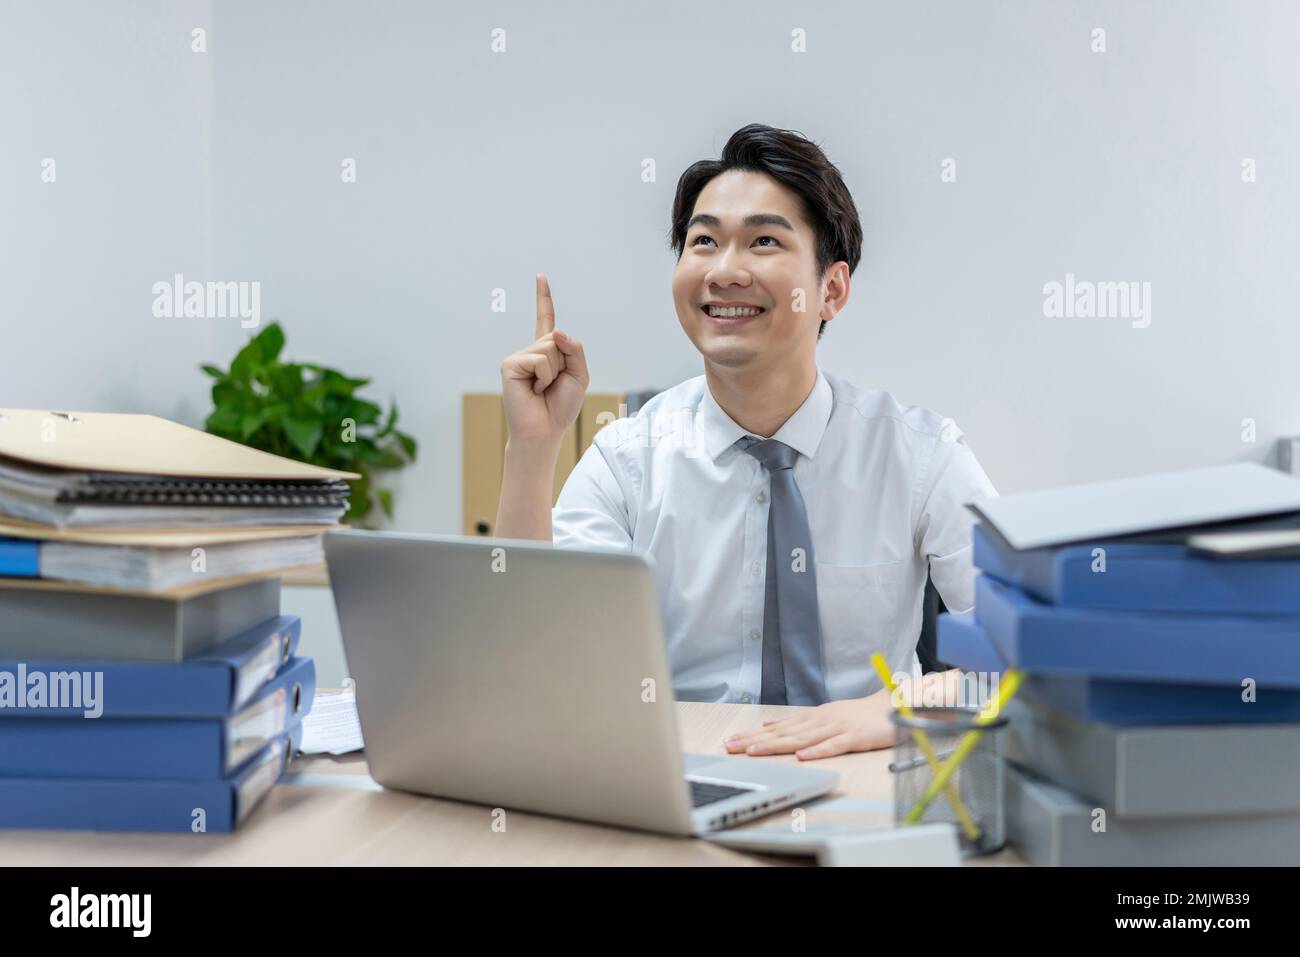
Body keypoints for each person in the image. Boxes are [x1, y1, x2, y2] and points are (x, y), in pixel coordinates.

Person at [494, 123, 996, 759]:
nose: (725, 270)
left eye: (763, 241)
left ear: (831, 290)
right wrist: (532, 449)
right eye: (703, 241)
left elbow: (1031, 660)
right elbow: (531, 664)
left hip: (865, 770)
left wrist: (904, 706)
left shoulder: (920, 455)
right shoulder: (627, 460)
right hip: (678, 775)